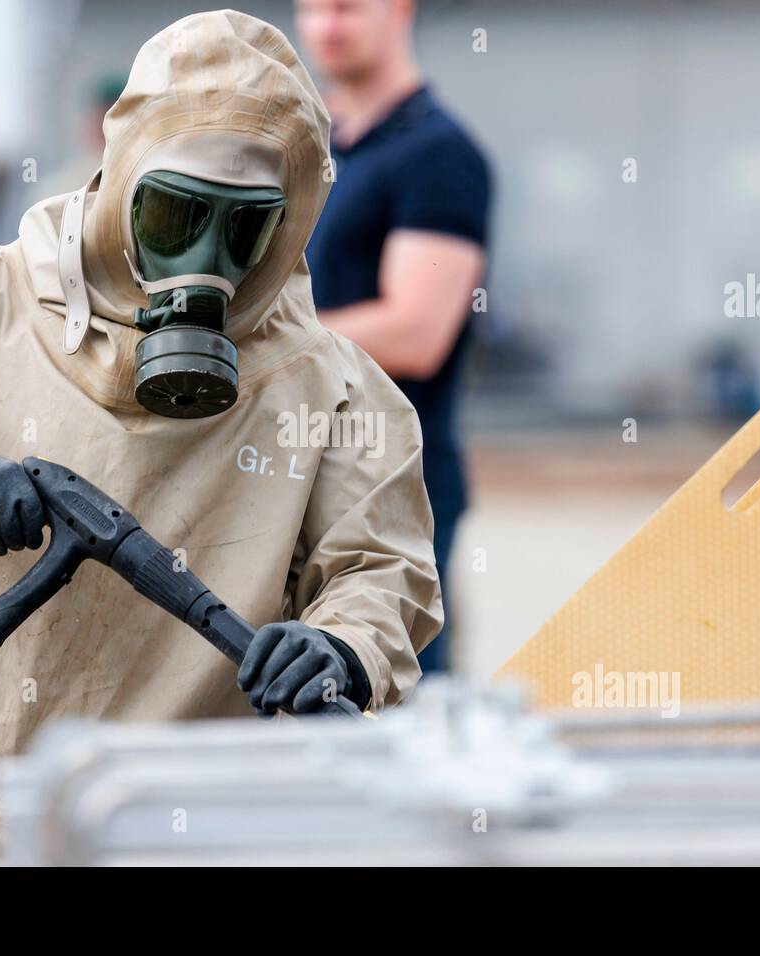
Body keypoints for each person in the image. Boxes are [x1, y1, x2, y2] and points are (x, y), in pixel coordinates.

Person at [0, 10, 441, 865]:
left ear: (288, 225)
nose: (205, 262)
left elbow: (381, 572)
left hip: (163, 838)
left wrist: (340, 649)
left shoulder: (334, 395)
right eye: (176, 216)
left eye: (243, 226)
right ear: (119, 176)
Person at [296, 0, 492, 674]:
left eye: (346, 7)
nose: (326, 27)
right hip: (302, 474)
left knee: (395, 709)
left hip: (396, 489)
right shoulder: (309, 151)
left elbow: (415, 331)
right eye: (312, 9)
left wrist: (255, 343)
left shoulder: (440, 156)